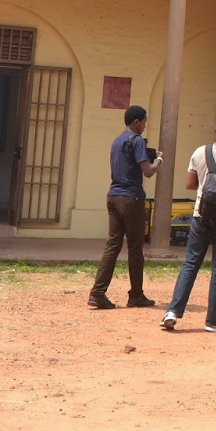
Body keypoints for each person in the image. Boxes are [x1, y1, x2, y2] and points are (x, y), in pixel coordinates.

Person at [161, 114, 216, 332]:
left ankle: (172, 311)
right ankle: (214, 320)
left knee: (191, 263)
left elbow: (189, 183)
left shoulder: (199, 152)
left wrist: (208, 188)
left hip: (200, 214)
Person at [88, 104, 164, 309]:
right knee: (135, 248)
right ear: (136, 122)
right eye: (144, 121)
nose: (145, 125)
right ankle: (136, 295)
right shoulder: (137, 140)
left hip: (113, 196)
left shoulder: (117, 140)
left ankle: (97, 293)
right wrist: (158, 160)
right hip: (132, 199)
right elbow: (147, 171)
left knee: (113, 245)